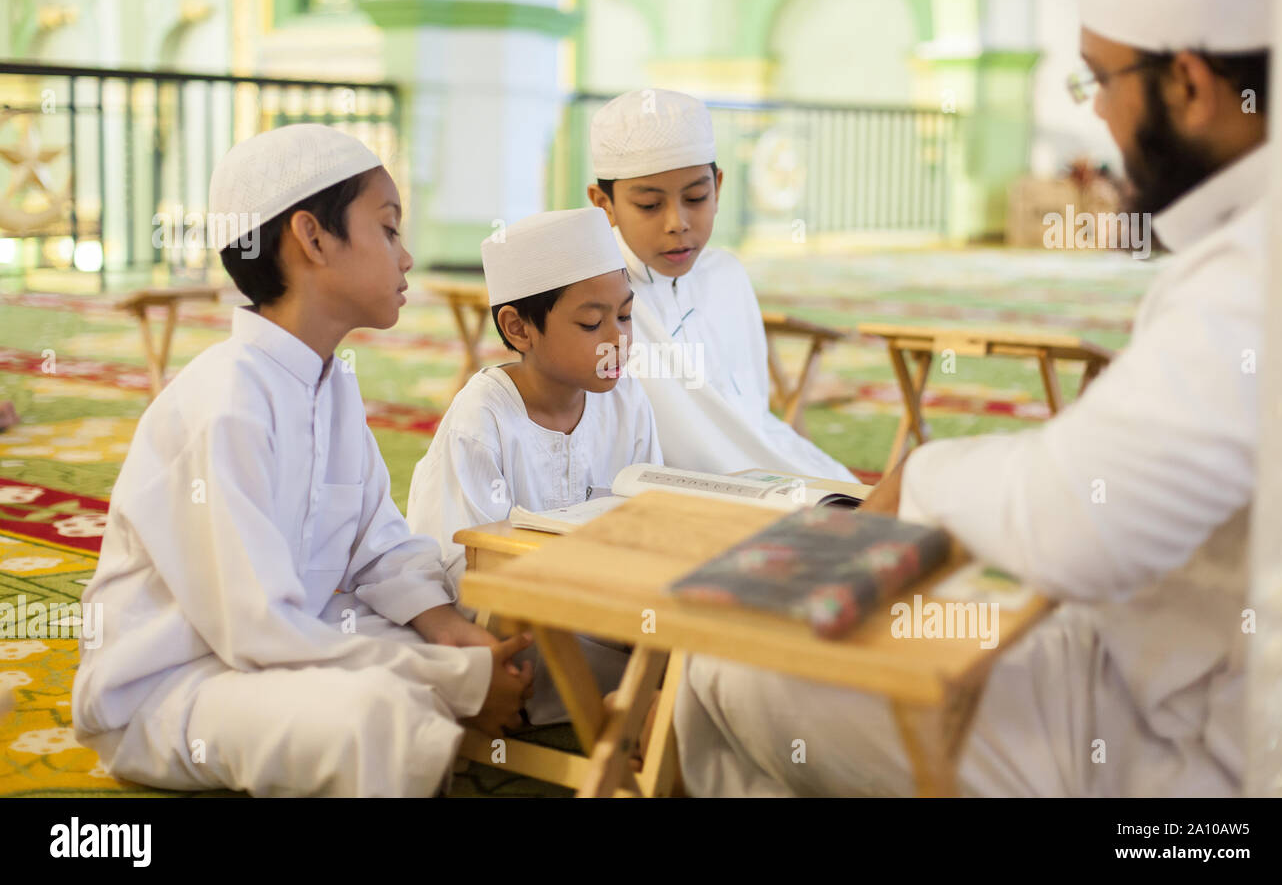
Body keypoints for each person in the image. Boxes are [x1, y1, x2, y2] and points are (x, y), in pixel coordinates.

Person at [673, 0, 1273, 797]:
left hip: (1192, 753)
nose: (1097, 114)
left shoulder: (1260, 274)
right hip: (1157, 660)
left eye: (1100, 80)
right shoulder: (1250, 243)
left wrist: (921, 478)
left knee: (740, 662)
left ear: (1189, 83)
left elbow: (1077, 525)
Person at [73, 123, 533, 797]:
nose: (406, 258)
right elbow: (255, 631)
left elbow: (380, 541)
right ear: (313, 238)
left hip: (299, 641)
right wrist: (455, 677)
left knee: (485, 619)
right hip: (186, 684)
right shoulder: (225, 403)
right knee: (371, 714)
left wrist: (450, 634)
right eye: (388, 229)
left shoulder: (329, 380)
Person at [407, 207, 661, 724]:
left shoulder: (628, 403)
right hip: (512, 622)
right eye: (592, 322)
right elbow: (463, 571)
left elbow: (648, 519)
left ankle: (650, 696)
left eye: (626, 315)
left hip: (605, 603)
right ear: (518, 328)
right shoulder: (482, 416)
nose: (617, 337)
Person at [587, 89, 856, 482]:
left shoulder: (726, 275)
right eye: (649, 205)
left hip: (763, 462)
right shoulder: (598, 299)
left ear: (718, 187)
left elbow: (752, 414)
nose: (677, 222)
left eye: (696, 197)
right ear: (603, 204)